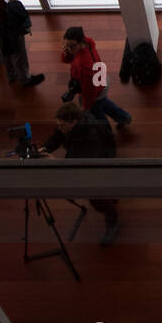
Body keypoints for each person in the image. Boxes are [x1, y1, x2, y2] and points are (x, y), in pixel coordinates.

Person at [39, 101, 120, 246]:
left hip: (99, 163)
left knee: (97, 199)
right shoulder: (67, 127)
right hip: (90, 159)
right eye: (58, 124)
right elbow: (56, 138)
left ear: (74, 122)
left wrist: (56, 162)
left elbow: (79, 163)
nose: (59, 127)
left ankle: (112, 222)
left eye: (62, 125)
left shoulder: (90, 136)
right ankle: (112, 195)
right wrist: (44, 149)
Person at [60, 26, 132, 129]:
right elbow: (67, 59)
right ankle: (124, 118)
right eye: (66, 45)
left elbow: (89, 91)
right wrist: (66, 53)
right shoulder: (87, 43)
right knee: (104, 104)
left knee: (97, 114)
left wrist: (86, 108)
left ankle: (106, 134)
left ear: (80, 43)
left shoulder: (84, 65)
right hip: (101, 80)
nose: (69, 49)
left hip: (95, 88)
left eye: (72, 46)